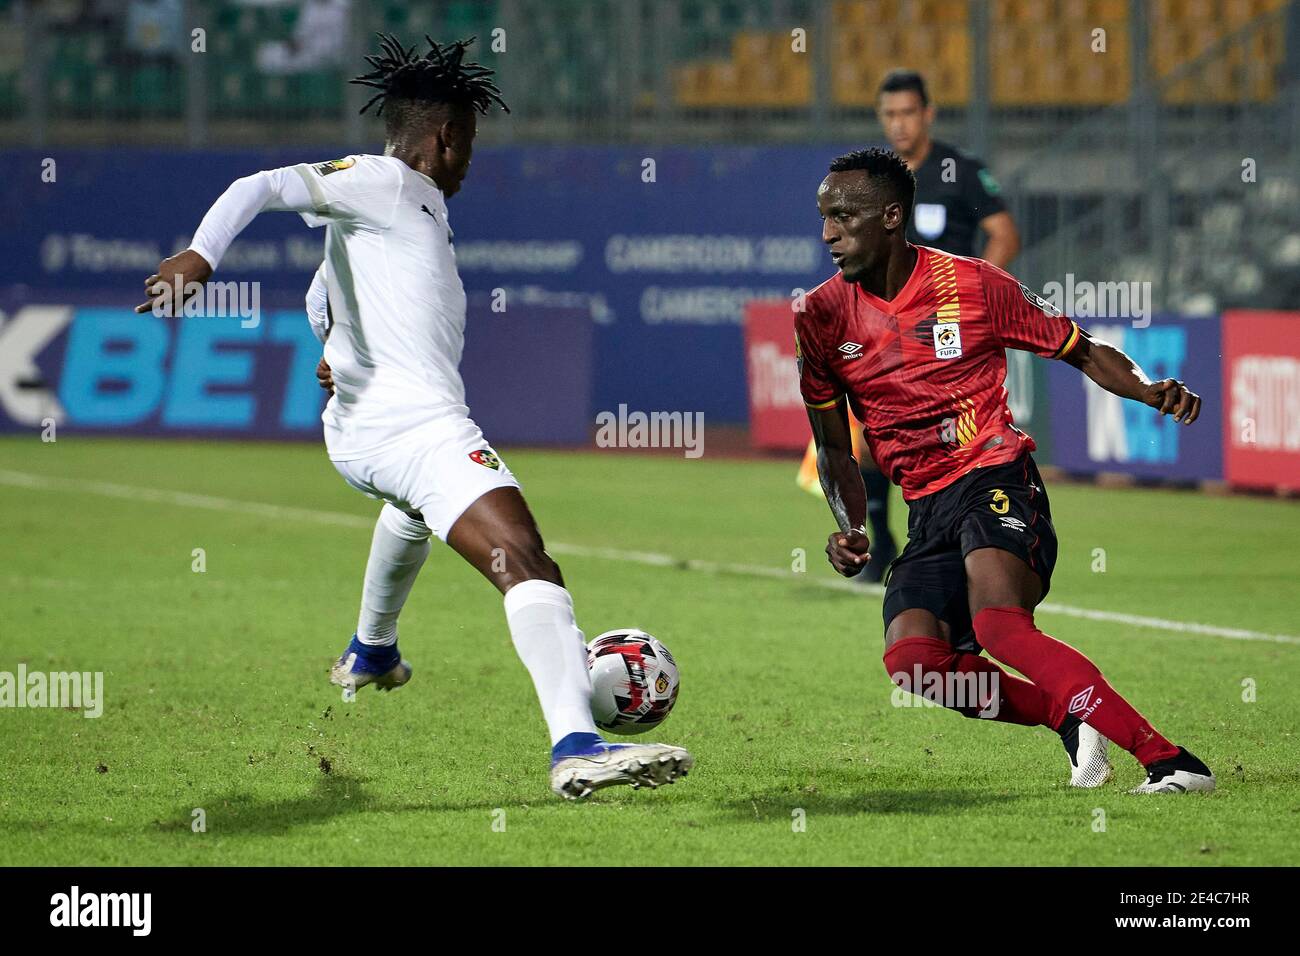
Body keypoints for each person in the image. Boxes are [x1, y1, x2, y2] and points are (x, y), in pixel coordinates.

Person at [135, 34, 693, 801]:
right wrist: (199, 258)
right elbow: (258, 185)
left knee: (412, 511)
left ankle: (371, 646)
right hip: (415, 425)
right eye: (469, 143)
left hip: (364, 436)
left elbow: (322, 297)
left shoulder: (405, 211)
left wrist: (335, 346)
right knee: (527, 561)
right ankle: (575, 745)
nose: (470, 160)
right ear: (446, 136)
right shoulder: (386, 182)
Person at [799, 147, 1214, 793]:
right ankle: (1069, 717)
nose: (828, 232)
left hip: (996, 478)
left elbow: (1082, 347)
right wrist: (851, 522)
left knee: (998, 625)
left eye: (843, 216)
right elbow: (831, 447)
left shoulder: (974, 285)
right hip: (926, 508)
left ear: (890, 216)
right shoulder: (820, 316)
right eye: (824, 216)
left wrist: (1146, 388)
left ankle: (1169, 760)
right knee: (915, 662)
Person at [798, 70, 1025, 579]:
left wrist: (973, 304)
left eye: (907, 113)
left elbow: (1005, 236)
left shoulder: (959, 172)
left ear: (928, 114)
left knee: (957, 440)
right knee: (872, 432)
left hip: (946, 328)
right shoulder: (874, 186)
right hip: (886, 329)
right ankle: (881, 539)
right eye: (889, 115)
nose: (899, 124)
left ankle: (972, 538)